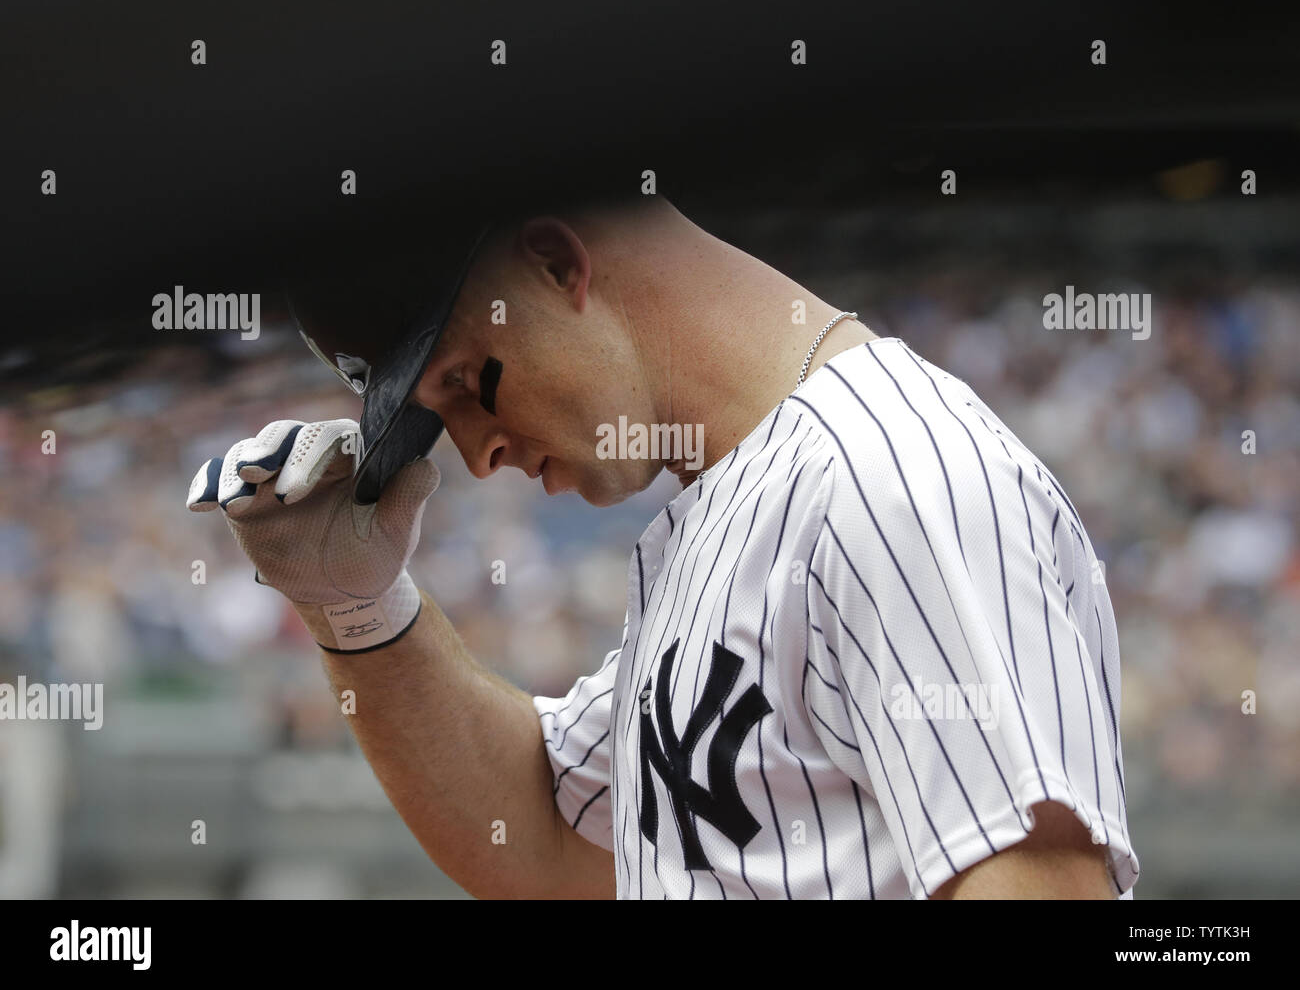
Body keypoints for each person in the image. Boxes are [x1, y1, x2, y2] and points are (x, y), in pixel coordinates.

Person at [187, 196, 1139, 899]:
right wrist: (357, 608)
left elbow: (1039, 883)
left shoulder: (893, 479)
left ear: (561, 266)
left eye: (467, 384)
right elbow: (540, 840)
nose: (479, 452)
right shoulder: (730, 510)